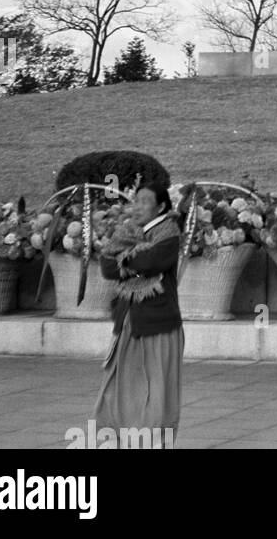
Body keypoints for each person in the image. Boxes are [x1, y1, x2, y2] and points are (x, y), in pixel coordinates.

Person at [94, 182, 183, 446]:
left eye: (145, 201)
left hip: (158, 323)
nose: (138, 206)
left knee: (157, 393)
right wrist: (133, 262)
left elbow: (154, 261)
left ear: (162, 207)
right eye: (136, 200)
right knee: (118, 387)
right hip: (128, 321)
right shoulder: (127, 231)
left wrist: (127, 261)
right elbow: (107, 266)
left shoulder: (168, 233)